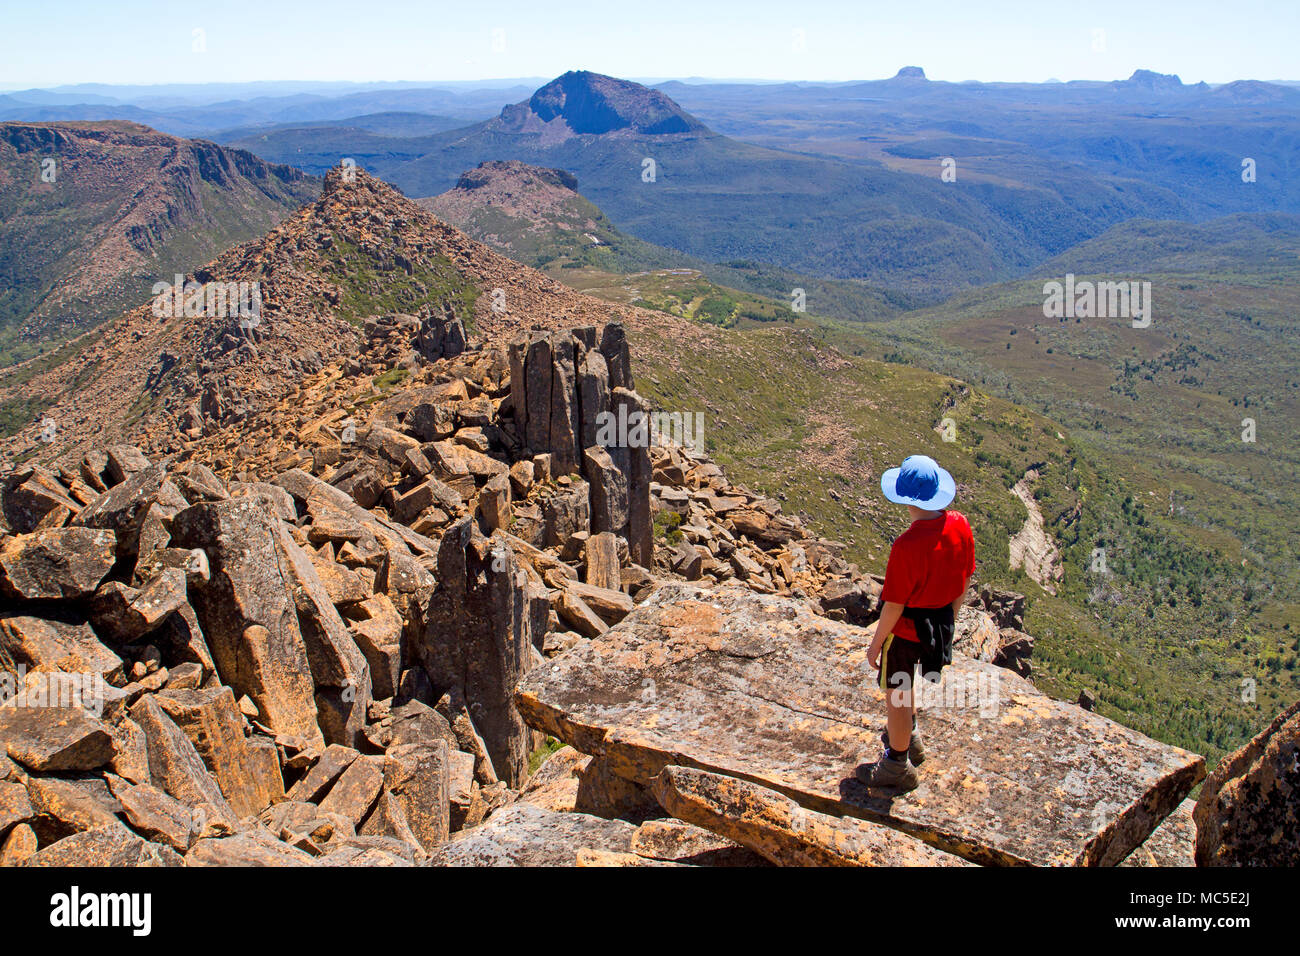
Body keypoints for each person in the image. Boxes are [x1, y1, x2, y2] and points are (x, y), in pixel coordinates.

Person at [861, 455, 975, 792]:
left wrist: (876, 643)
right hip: (938, 624)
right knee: (906, 688)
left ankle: (897, 766)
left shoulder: (907, 546)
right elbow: (964, 577)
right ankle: (911, 740)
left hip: (905, 633)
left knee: (897, 693)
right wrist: (949, 623)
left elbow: (894, 604)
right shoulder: (960, 525)